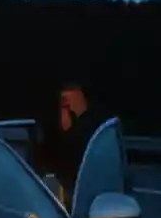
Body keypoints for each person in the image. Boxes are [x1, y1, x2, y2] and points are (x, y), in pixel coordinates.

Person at [37, 80, 111, 210]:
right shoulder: (54, 127)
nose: (67, 105)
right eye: (64, 101)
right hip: (65, 186)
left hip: (87, 187)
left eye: (70, 101)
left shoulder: (95, 127)